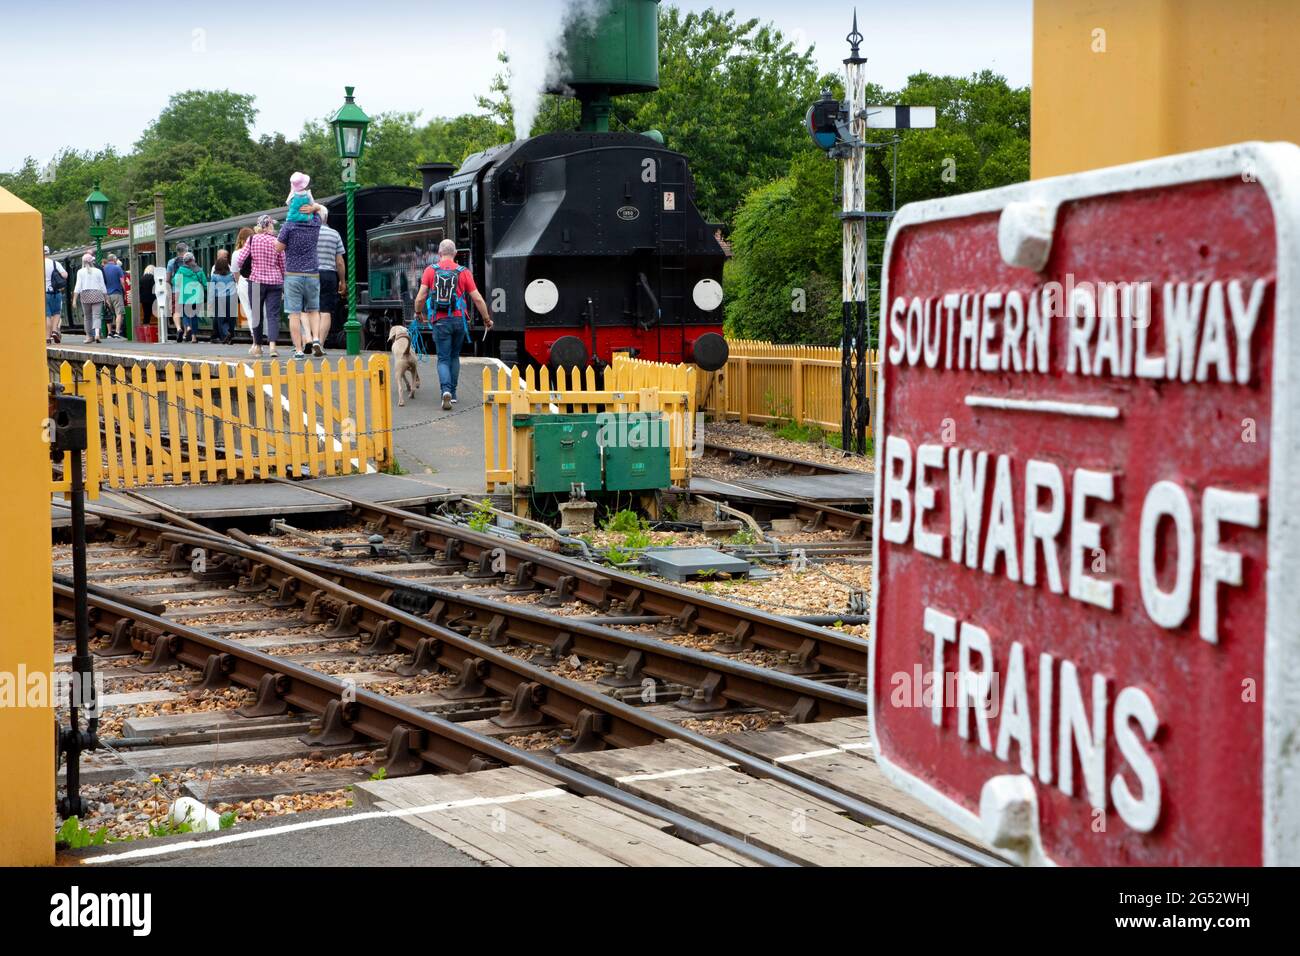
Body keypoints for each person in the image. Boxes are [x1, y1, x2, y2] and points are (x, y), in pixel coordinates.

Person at [414, 239, 493, 410]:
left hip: (440, 321)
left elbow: (421, 297)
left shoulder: (430, 270)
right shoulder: (463, 272)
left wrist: (418, 312)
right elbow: (477, 298)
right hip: (458, 320)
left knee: (443, 358)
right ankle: (454, 394)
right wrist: (486, 319)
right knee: (454, 356)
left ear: (439, 253)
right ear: (455, 253)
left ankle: (445, 391)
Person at [232, 215, 284, 357]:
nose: (273, 227)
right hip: (275, 282)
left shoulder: (252, 239)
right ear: (266, 226)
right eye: (271, 225)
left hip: (256, 281)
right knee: (272, 315)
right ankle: (272, 346)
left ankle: (258, 347)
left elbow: (241, 259)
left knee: (256, 314)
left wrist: (252, 267)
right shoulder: (276, 241)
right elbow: (282, 263)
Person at [276, 208, 322, 360]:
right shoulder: (315, 223)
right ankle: (316, 338)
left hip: (293, 274)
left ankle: (298, 350)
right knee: (314, 310)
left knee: (294, 314)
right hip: (313, 273)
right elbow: (321, 210)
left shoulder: (288, 225)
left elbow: (278, 248)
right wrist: (313, 206)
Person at [314, 207, 346, 352]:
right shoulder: (334, 234)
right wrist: (343, 281)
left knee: (310, 309)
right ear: (326, 217)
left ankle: (310, 339)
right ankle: (320, 343)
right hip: (329, 274)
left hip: (311, 273)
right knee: (325, 310)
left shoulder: (310, 232)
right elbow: (339, 262)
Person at [72, 252, 107, 344]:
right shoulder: (98, 271)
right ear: (92, 262)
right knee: (97, 316)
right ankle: (97, 334)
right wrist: (106, 297)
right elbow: (102, 285)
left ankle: (89, 336)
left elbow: (78, 286)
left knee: (87, 317)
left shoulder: (80, 272)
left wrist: (74, 300)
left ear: (83, 262)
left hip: (85, 294)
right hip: (97, 294)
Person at [173, 252, 208, 342]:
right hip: (196, 296)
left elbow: (175, 281)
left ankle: (188, 327)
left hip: (185, 296)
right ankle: (194, 337)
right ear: (193, 259)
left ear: (184, 261)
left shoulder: (180, 270)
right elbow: (205, 284)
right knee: (194, 316)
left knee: (185, 315)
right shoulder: (199, 270)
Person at [208, 250, 237, 344]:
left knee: (222, 319)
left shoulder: (214, 277)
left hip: (219, 299)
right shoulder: (231, 275)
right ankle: (230, 336)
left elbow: (211, 291)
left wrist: (210, 303)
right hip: (232, 298)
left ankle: (225, 334)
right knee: (231, 318)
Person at [166, 241, 191, 341]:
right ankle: (187, 330)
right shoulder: (190, 260)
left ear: (177, 251)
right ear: (186, 250)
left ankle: (179, 328)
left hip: (176, 290)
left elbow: (167, 279)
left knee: (176, 311)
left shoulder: (171, 262)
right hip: (188, 289)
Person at [44, 246, 68, 343]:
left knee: (47, 315)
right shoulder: (55, 263)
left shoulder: (37, 263)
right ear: (48, 253)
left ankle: (47, 338)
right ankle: (54, 331)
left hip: (43, 294)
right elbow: (65, 275)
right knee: (56, 313)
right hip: (55, 292)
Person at [233, 226, 254, 335]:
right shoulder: (257, 249)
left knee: (248, 310)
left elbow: (235, 272)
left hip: (243, 281)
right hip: (259, 280)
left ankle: (255, 337)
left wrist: (239, 283)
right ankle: (266, 335)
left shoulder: (237, 253)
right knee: (261, 310)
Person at [102, 253, 127, 339]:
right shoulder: (117, 268)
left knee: (109, 313)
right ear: (114, 259)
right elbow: (122, 281)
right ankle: (117, 332)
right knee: (119, 313)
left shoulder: (103, 268)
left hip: (106, 295)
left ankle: (109, 333)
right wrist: (125, 290)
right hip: (116, 293)